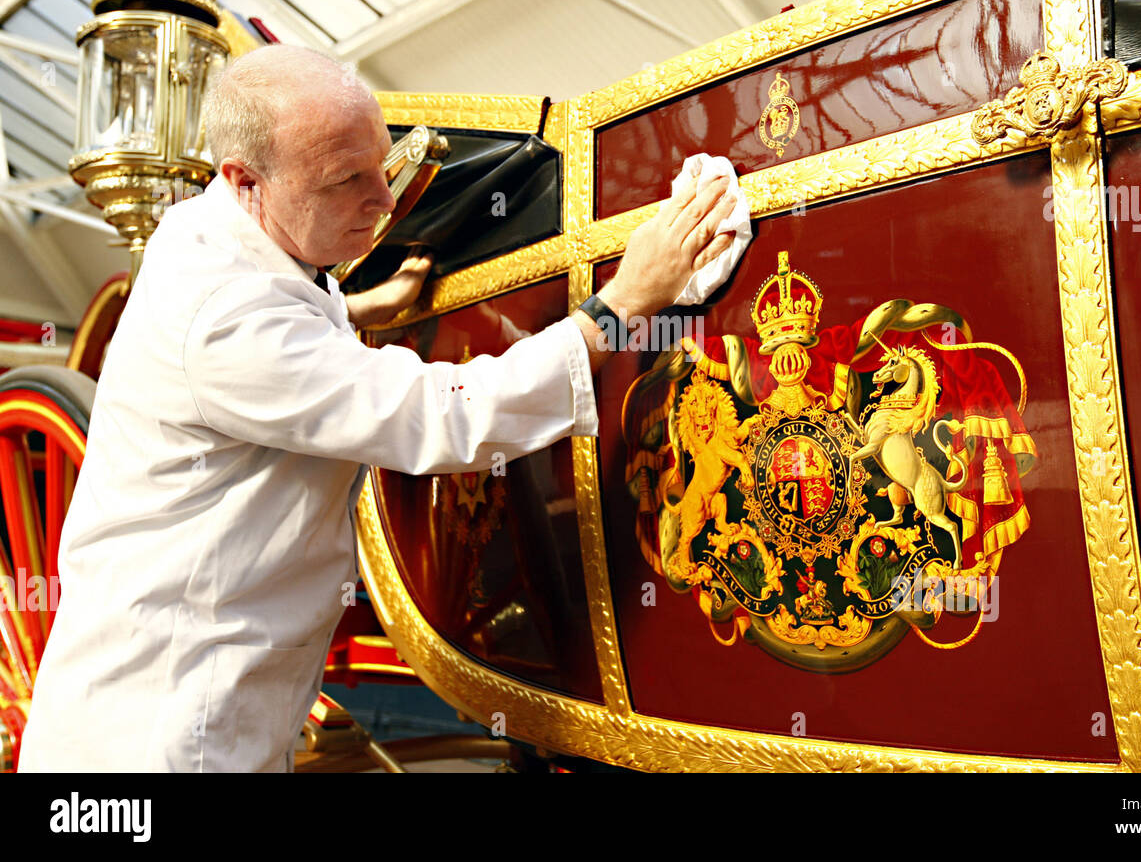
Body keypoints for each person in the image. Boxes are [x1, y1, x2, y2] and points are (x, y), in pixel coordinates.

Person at [18, 45, 739, 772]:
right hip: (164, 734)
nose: (385, 201)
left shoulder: (211, 232)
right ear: (244, 181)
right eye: (346, 181)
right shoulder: (224, 319)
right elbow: (445, 418)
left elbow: (279, 323)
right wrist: (622, 304)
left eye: (381, 165)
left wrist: (356, 306)